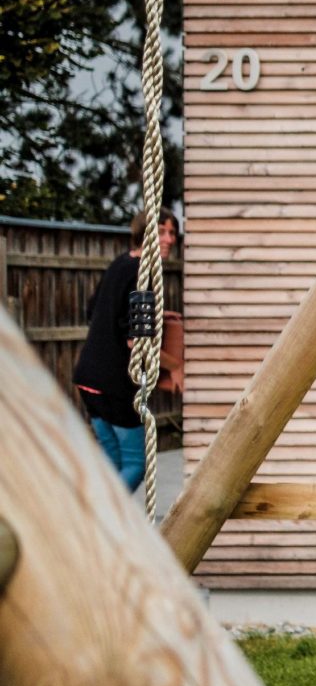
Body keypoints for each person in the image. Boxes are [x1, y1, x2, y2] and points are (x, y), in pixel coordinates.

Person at [72, 209, 179, 491]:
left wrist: (157, 313)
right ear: (143, 233)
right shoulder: (144, 276)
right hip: (114, 386)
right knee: (135, 463)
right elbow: (138, 343)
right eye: (161, 231)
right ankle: (103, 521)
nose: (169, 239)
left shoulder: (120, 264)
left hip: (87, 379)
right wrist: (176, 366)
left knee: (112, 461)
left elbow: (95, 311)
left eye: (172, 233)